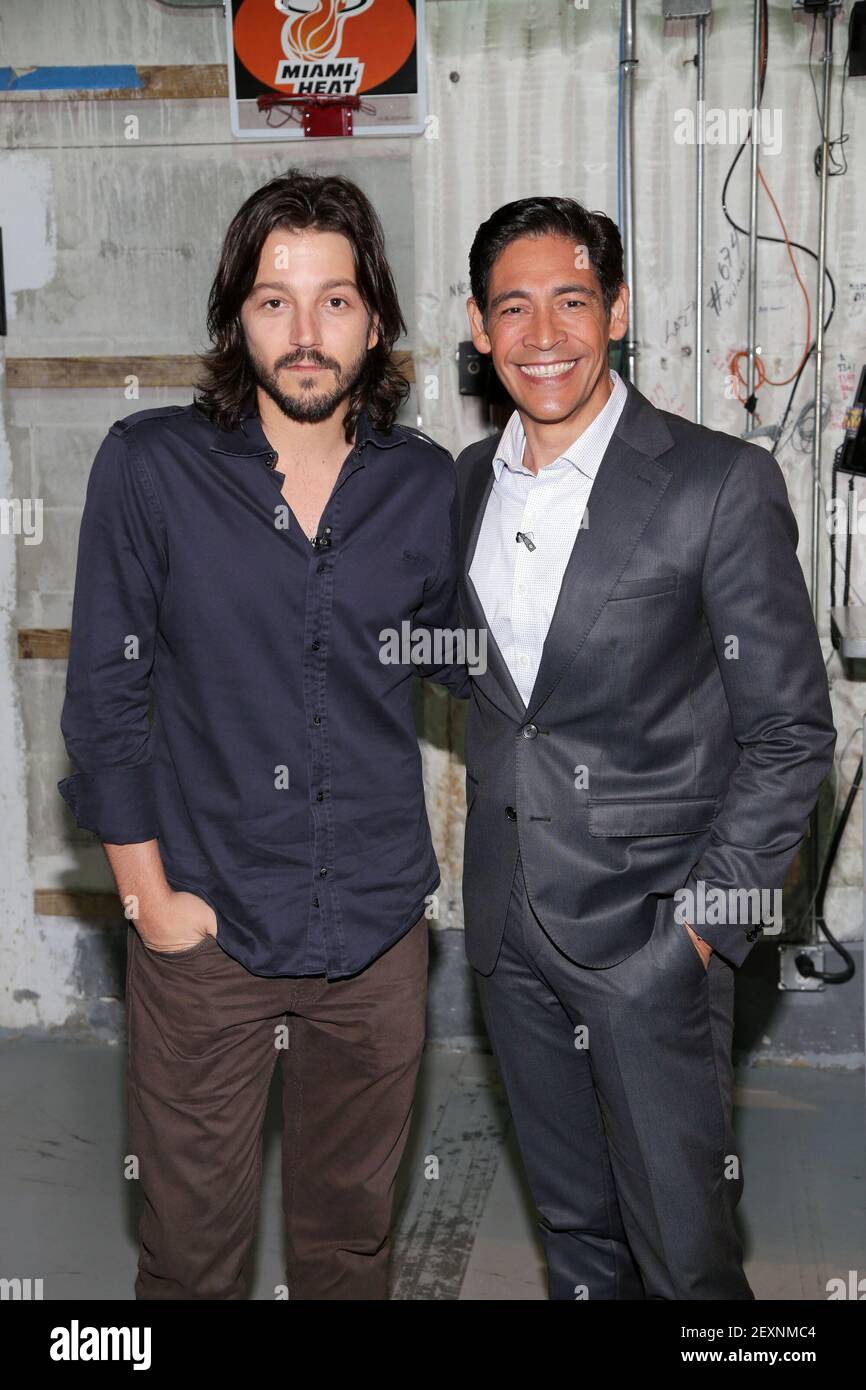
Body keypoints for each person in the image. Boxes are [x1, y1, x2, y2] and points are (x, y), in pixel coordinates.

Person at [58, 168, 468, 1300]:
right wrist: (151, 902)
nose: (303, 330)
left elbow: (467, 660)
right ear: (234, 317)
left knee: (348, 1243)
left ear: (373, 319)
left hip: (377, 929)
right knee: (193, 1254)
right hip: (210, 926)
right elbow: (103, 700)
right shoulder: (151, 467)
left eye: (333, 299)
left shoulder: (423, 484)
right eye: (273, 299)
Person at [455, 194, 836, 1300]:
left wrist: (702, 934)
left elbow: (788, 731)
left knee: (683, 1253)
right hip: (506, 932)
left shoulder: (717, 483)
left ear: (615, 310)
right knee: (576, 1243)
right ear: (478, 331)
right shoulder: (465, 484)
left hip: (650, 943)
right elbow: (500, 692)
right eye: (511, 308)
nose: (542, 334)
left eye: (570, 300)